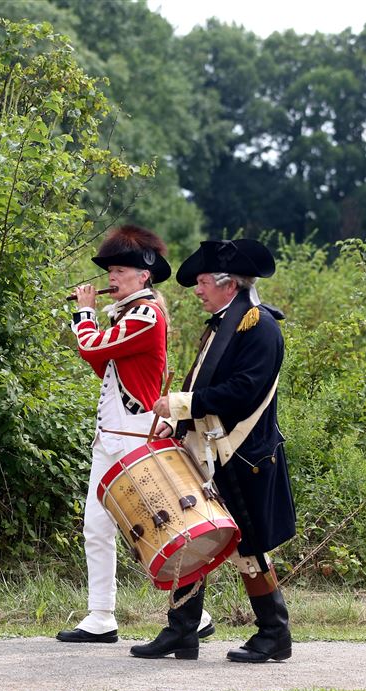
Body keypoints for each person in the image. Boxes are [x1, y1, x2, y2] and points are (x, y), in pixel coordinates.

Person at [131, 239, 296, 662]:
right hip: (208, 450)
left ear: (228, 285)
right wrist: (177, 418)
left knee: (249, 548)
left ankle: (274, 634)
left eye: (203, 282)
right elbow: (203, 384)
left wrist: (183, 404)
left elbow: (243, 392)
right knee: (188, 537)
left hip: (242, 456)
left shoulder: (259, 327)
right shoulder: (224, 322)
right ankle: (183, 632)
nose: (197, 290)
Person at [57, 225, 214, 644]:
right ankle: (101, 615)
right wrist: (93, 324)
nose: (112, 278)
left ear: (144, 275)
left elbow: (91, 348)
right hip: (109, 437)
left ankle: (194, 617)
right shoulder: (127, 315)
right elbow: (101, 363)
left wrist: (84, 314)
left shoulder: (147, 314)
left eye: (121, 271)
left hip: (136, 437)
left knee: (163, 528)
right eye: (111, 270)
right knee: (95, 526)